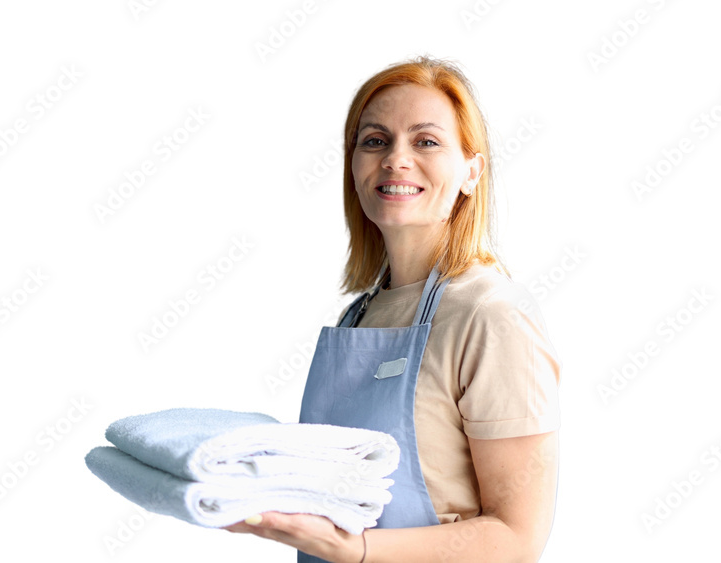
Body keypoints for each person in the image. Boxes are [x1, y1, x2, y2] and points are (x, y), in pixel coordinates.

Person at [225, 55, 561, 563]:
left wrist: (358, 550)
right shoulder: (357, 316)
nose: (396, 159)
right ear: (353, 167)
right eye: (375, 141)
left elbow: (516, 539)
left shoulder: (491, 315)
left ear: (472, 171)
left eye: (426, 141)